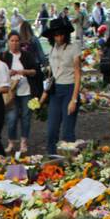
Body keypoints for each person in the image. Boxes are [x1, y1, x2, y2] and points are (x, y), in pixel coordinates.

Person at [40, 18, 82, 151]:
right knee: (52, 129)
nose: (59, 37)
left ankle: (69, 160)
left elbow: (77, 73)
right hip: (56, 90)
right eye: (56, 35)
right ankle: (51, 157)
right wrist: (44, 94)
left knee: (67, 130)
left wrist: (74, 99)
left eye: (61, 34)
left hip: (70, 88)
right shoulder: (53, 50)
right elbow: (51, 74)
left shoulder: (73, 48)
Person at [2, 31, 38, 154]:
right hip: (11, 92)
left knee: (26, 117)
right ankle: (11, 141)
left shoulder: (27, 55)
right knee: (12, 118)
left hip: (26, 90)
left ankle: (24, 141)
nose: (14, 43)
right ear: (8, 42)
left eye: (17, 40)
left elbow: (35, 71)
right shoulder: (4, 56)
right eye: (12, 40)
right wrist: (9, 73)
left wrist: (23, 72)